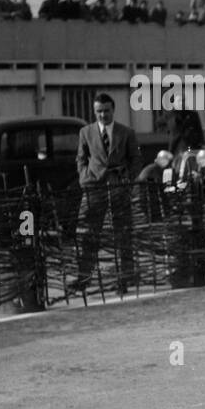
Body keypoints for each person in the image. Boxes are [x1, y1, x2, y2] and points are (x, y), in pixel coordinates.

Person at [72, 95, 142, 292]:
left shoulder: (127, 133)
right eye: (99, 111)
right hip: (94, 189)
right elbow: (81, 158)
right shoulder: (85, 132)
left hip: (119, 189)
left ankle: (125, 279)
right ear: (95, 112)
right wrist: (85, 178)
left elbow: (136, 159)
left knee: (122, 233)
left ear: (113, 110)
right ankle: (83, 278)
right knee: (88, 234)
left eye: (106, 110)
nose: (103, 114)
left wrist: (127, 182)